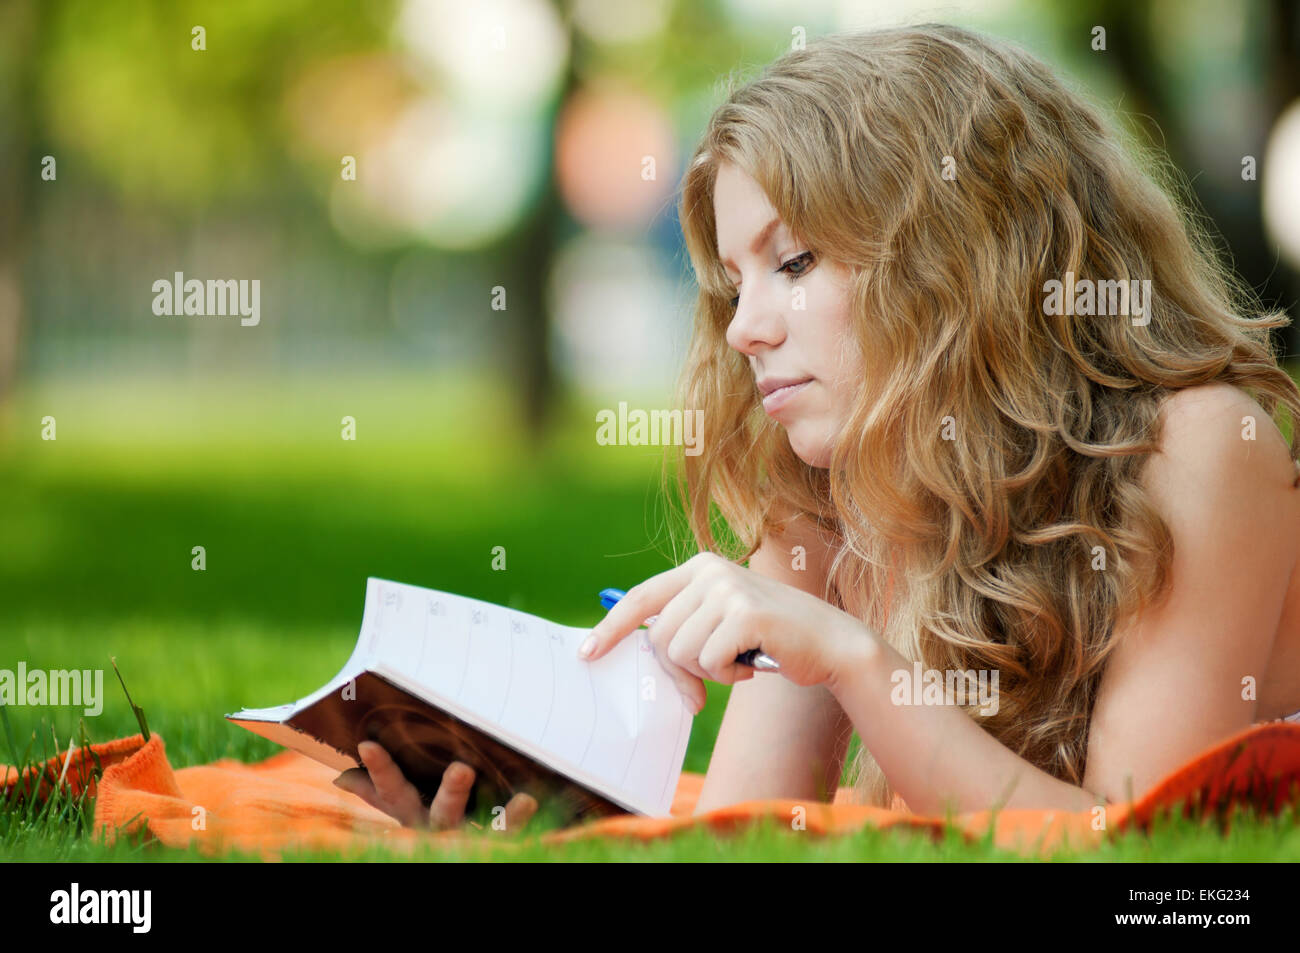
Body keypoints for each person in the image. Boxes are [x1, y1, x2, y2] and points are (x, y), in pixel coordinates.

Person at [335, 22, 1300, 829]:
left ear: (962, 255)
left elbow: (1139, 851)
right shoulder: (828, 512)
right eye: (733, 282)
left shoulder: (1198, 448)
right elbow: (753, 842)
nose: (746, 326)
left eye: (792, 263)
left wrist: (845, 653)